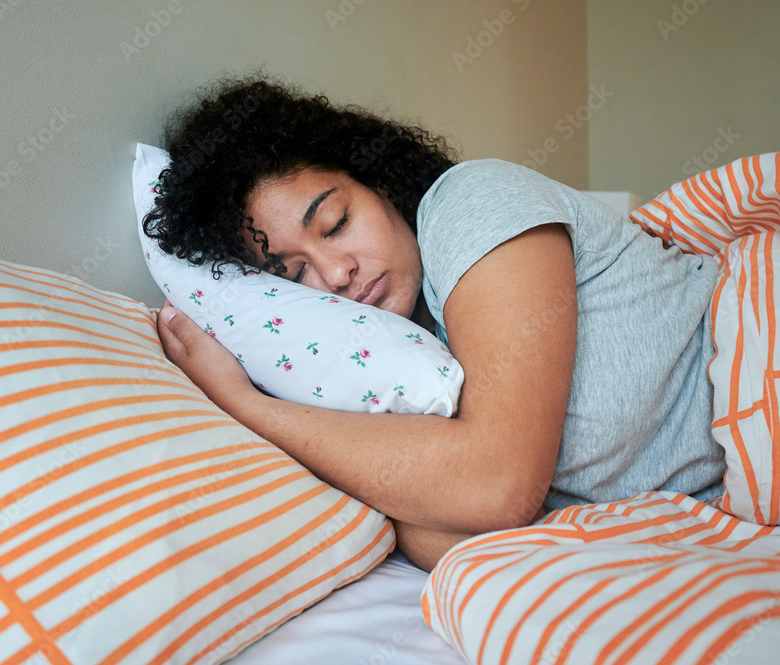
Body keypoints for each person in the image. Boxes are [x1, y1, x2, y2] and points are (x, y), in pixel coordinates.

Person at [143, 75, 733, 573]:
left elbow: (497, 488)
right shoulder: (401, 372)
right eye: (295, 274)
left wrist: (243, 404)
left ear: (379, 181)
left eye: (337, 222)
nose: (337, 273)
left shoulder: (472, 202)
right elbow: (459, 536)